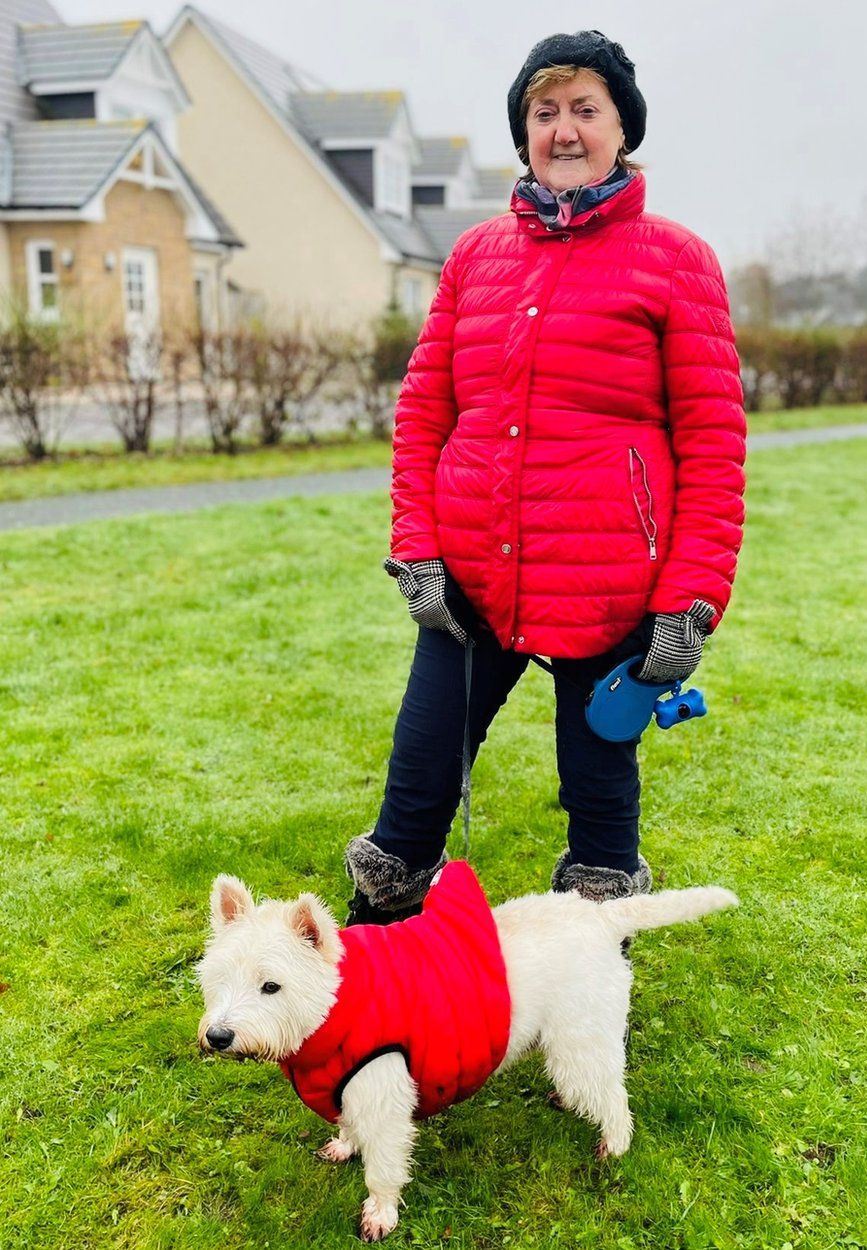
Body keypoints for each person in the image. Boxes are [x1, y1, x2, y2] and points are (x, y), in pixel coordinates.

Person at [344, 30, 746, 922]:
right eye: (544, 110)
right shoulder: (475, 257)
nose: (564, 129)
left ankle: (592, 982)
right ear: (524, 132)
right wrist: (418, 551)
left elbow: (714, 443)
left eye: (585, 110)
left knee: (601, 807)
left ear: (621, 130)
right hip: (471, 585)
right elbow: (422, 415)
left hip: (609, 591)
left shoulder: (677, 261)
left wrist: (689, 602)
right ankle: (373, 962)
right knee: (415, 789)